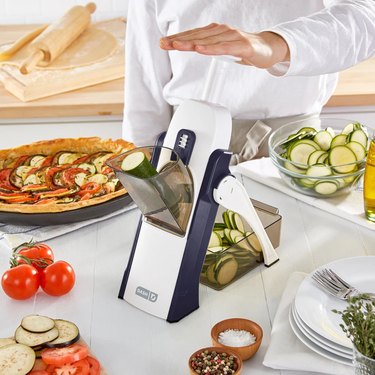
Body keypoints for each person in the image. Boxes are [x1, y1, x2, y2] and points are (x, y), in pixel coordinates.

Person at [122, 1, 375, 163]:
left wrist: (276, 42)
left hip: (296, 153)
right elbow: (144, 78)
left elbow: (366, 18)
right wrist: (144, 162)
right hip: (185, 152)